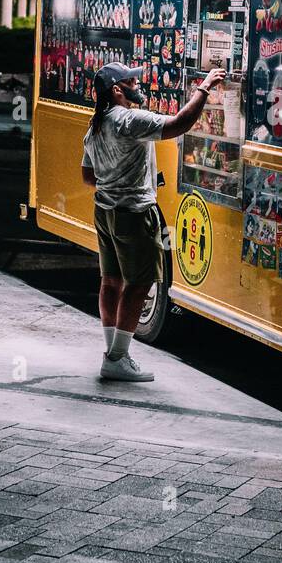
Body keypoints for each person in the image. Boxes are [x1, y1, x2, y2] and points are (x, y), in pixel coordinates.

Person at [82, 61, 224, 381]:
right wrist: (204, 87)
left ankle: (111, 354)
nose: (137, 85)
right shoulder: (130, 120)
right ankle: (118, 357)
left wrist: (115, 179)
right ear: (117, 90)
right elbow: (179, 124)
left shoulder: (96, 125)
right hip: (134, 214)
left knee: (111, 281)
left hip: (105, 211)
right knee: (140, 283)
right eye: (131, 81)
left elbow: (88, 175)